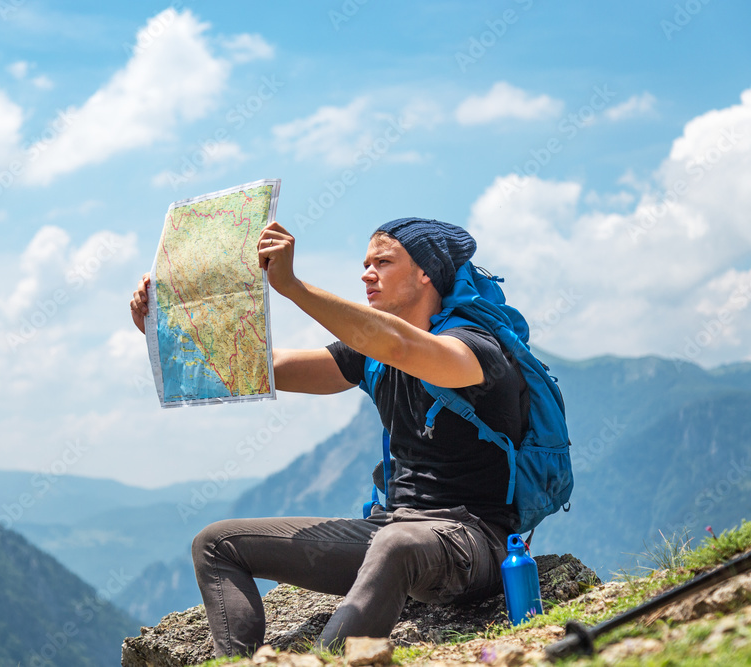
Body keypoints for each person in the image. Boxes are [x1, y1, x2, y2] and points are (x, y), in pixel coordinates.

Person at [129, 217, 528, 656]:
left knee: (397, 544)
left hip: (470, 540)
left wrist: (294, 286)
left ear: (426, 272)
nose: (366, 273)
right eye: (365, 262)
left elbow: (403, 348)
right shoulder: (371, 355)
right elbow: (258, 369)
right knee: (215, 543)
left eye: (383, 261)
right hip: (391, 530)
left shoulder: (478, 348)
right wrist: (163, 328)